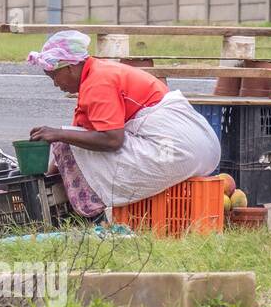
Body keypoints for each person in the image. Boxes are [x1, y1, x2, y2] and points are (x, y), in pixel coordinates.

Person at [26, 30, 221, 219]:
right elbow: (80, 136)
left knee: (65, 141)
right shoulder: (98, 73)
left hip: (177, 150)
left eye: (54, 77)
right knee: (68, 141)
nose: (55, 84)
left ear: (69, 67)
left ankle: (92, 218)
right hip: (202, 149)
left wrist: (57, 135)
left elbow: (112, 140)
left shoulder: (98, 82)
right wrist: (45, 175)